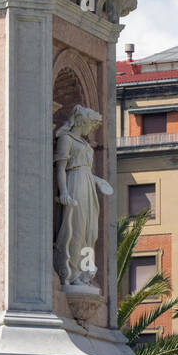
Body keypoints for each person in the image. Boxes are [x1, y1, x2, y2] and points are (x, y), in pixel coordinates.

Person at [53, 105, 113, 286]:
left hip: (87, 184)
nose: (92, 129)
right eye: (91, 124)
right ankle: (70, 274)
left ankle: (84, 273)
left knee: (90, 231)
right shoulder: (66, 139)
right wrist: (63, 191)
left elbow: (86, 170)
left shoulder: (85, 144)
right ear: (81, 121)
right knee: (76, 229)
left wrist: (98, 181)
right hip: (75, 183)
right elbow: (61, 168)